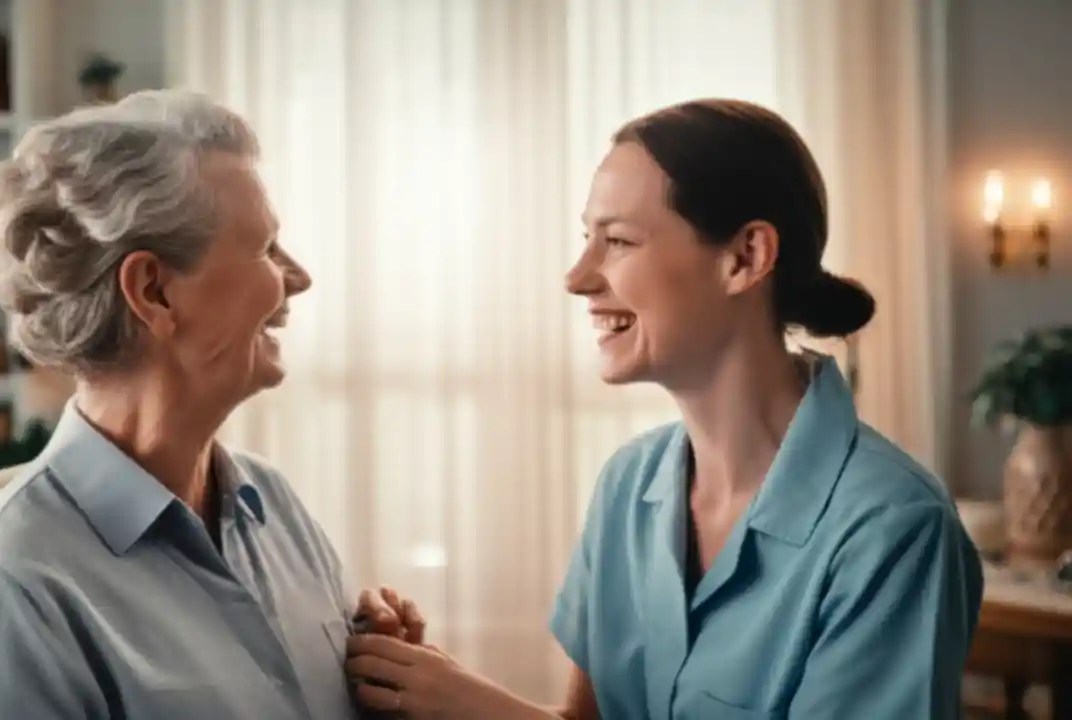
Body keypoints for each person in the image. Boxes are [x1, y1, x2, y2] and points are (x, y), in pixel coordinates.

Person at [344, 99, 983, 719]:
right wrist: (425, 689)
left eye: (617, 240)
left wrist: (484, 711)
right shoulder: (629, 486)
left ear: (745, 258)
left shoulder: (893, 530)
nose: (577, 277)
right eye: (587, 239)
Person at [0, 89, 419, 719]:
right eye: (265, 248)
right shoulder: (10, 588)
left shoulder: (274, 506)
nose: (299, 277)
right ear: (154, 291)